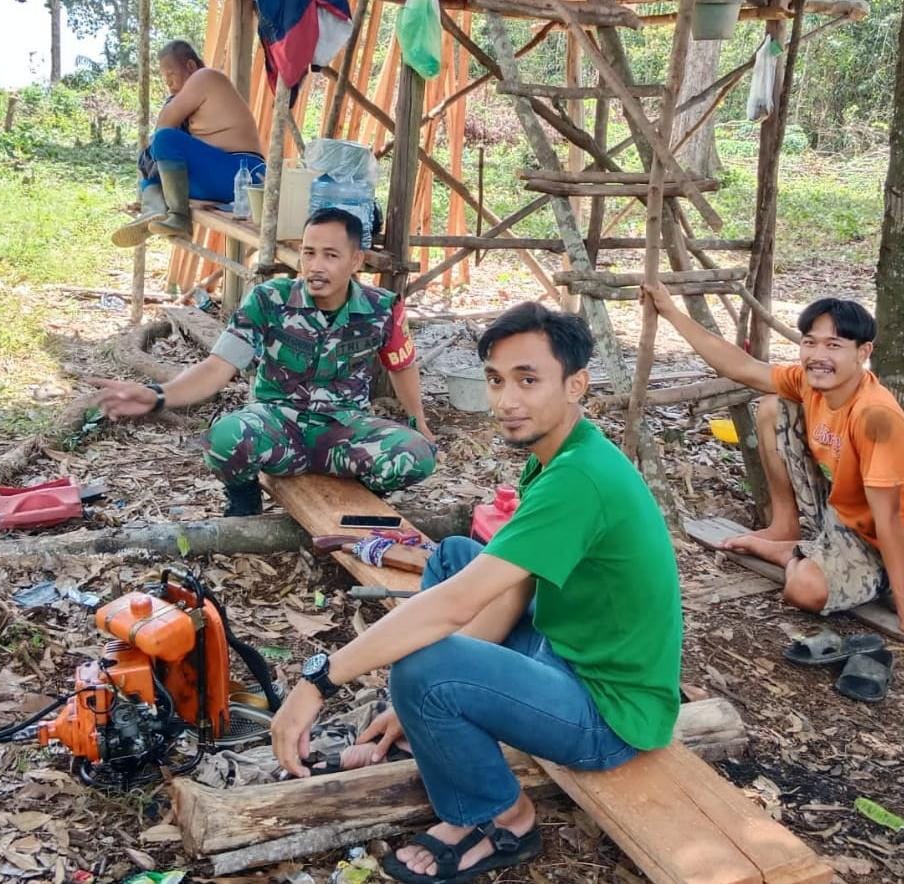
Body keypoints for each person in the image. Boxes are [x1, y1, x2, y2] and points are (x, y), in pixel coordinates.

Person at [269, 303, 683, 883]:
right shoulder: (562, 455)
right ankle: (437, 722)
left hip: (610, 715)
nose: (506, 400)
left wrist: (319, 681)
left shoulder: (579, 480)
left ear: (576, 384)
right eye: (495, 379)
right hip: (566, 646)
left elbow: (456, 607)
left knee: (424, 665)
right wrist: (428, 702)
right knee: (457, 558)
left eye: (528, 379)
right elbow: (505, 592)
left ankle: (501, 817)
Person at [644, 281, 904, 650]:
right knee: (772, 406)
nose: (818, 355)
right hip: (838, 513)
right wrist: (671, 311)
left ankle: (791, 553)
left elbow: (890, 521)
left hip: (876, 541)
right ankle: (785, 528)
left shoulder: (875, 418)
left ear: (863, 352)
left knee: (804, 590)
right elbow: (742, 367)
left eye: (834, 345)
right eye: (810, 342)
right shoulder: (810, 383)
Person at [92, 208, 437, 515]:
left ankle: (360, 496)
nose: (316, 266)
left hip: (343, 428)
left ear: (356, 261)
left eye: (331, 255)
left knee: (417, 454)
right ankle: (244, 502)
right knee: (224, 439)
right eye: (309, 253)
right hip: (278, 425)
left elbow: (401, 364)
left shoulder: (382, 308)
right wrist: (158, 395)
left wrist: (417, 419)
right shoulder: (270, 299)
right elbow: (217, 367)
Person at [112, 39, 266, 247]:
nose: (168, 84)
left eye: (171, 75)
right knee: (147, 160)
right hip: (218, 178)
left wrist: (171, 105)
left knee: (165, 140)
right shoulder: (190, 97)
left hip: (243, 173)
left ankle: (178, 216)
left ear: (191, 66)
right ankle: (154, 212)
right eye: (165, 78)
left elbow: (163, 126)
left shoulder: (205, 77)